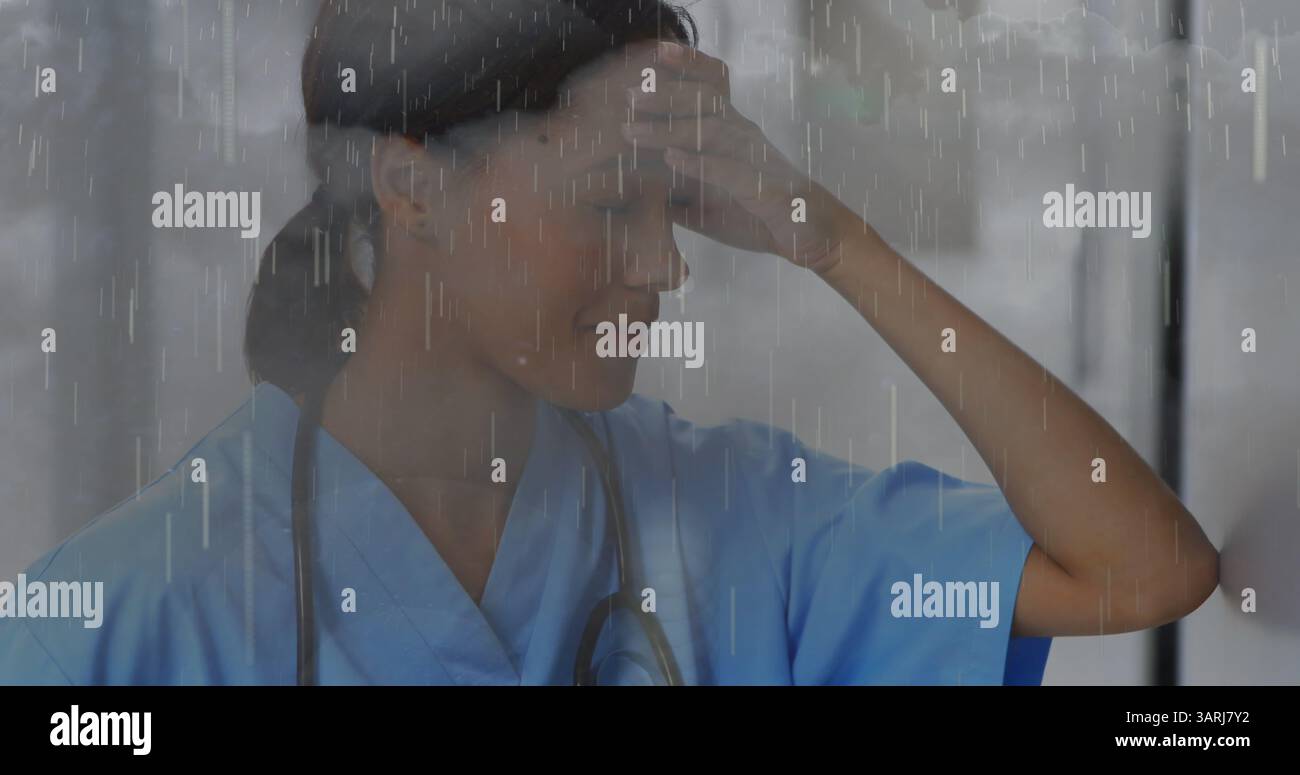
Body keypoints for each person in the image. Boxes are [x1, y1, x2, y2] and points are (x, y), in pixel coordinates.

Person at [0, 0, 1217, 685]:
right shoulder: (117, 623)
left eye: (671, 202)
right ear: (409, 185)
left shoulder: (740, 524)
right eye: (606, 201)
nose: (664, 263)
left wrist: (830, 236)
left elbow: (1143, 568)